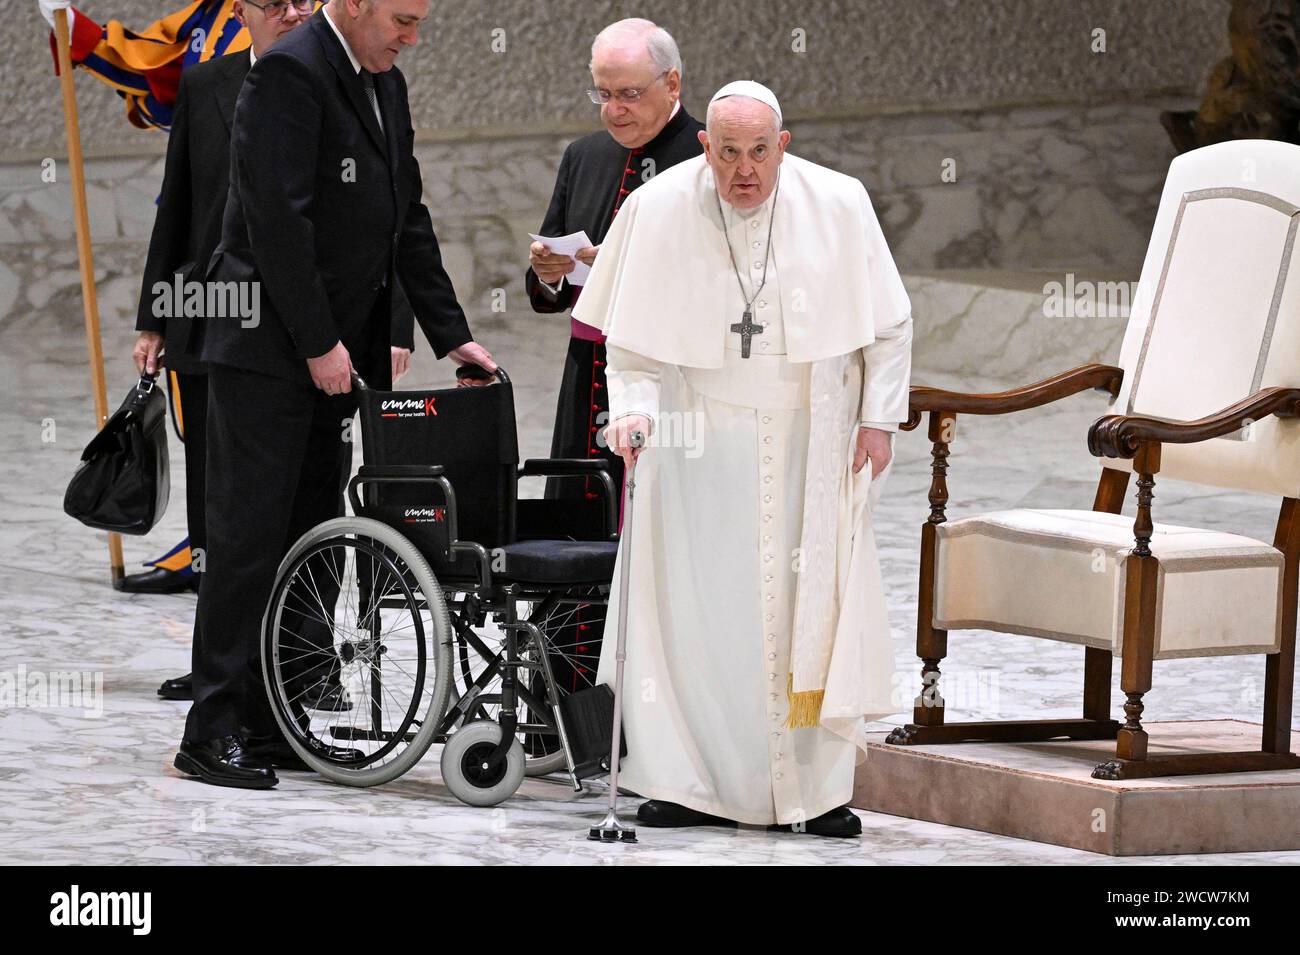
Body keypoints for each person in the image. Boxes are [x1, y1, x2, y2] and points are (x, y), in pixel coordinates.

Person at [580, 81, 913, 837]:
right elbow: (628, 341)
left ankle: (816, 792)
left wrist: (877, 417)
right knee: (695, 611)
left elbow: (889, 324)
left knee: (808, 609)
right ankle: (685, 782)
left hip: (810, 435)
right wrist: (632, 410)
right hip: (699, 442)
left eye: (759, 151)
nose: (744, 172)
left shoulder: (840, 203)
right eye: (727, 152)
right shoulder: (660, 208)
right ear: (705, 146)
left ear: (783, 145)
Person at [175, 0, 495, 789]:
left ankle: (275, 716)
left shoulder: (384, 79)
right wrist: (319, 341)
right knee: (249, 539)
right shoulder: (290, 70)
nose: (412, 36)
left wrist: (451, 333)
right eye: (403, 18)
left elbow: (403, 220)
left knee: (305, 539)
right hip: (266, 349)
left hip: (331, 356)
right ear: (351, 4)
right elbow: (276, 221)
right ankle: (211, 727)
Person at [525, 18, 702, 536]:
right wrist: (547, 272)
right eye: (603, 94)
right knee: (580, 514)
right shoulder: (584, 155)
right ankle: (574, 620)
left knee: (658, 521)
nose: (613, 109)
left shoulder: (708, 155)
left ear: (672, 84)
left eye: (628, 94)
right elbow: (546, 287)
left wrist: (635, 271)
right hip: (589, 369)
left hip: (669, 372)